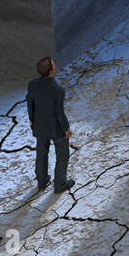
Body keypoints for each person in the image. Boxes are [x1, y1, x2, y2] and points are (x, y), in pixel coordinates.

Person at [26, 56, 75, 193]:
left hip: (39, 125)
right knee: (62, 155)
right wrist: (66, 128)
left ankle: (41, 181)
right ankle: (59, 184)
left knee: (41, 153)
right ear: (51, 71)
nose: (55, 66)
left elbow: (30, 102)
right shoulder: (57, 89)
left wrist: (31, 120)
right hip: (56, 128)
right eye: (53, 65)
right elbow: (59, 111)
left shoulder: (32, 84)